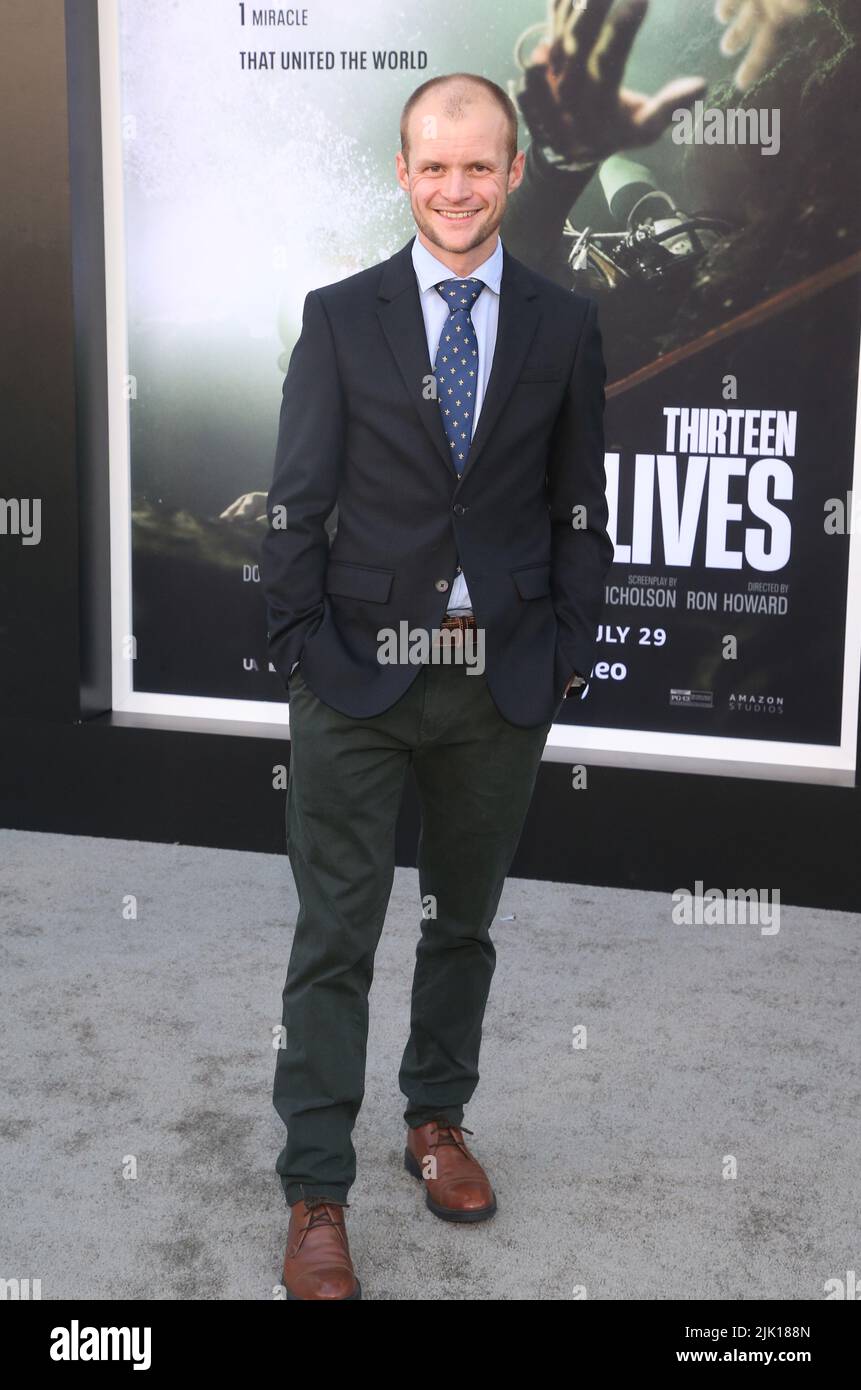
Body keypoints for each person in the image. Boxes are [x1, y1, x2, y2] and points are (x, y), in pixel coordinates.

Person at [260, 71, 613, 1301]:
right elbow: (297, 493)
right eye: (433, 166)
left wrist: (567, 642)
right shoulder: (341, 315)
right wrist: (299, 642)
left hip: (497, 680)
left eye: (480, 166)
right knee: (337, 938)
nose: (456, 189)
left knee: (461, 924)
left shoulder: (565, 326)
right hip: (356, 677)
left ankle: (436, 1122)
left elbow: (581, 504)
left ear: (514, 173)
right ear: (402, 175)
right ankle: (316, 1191)